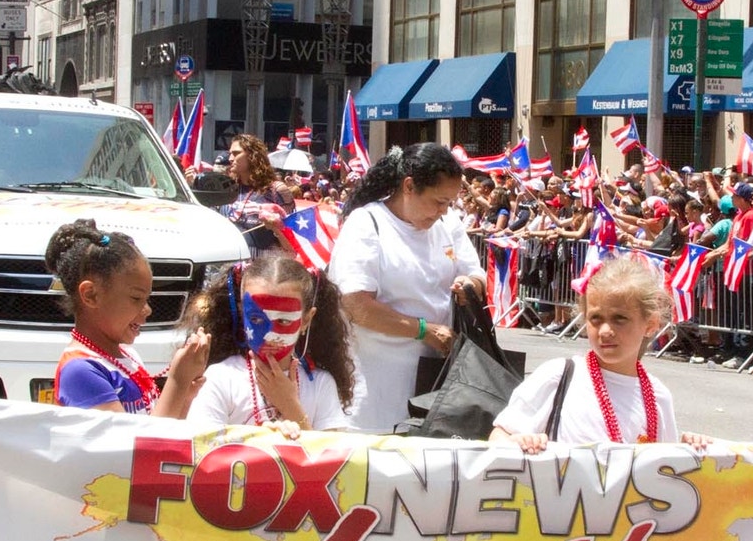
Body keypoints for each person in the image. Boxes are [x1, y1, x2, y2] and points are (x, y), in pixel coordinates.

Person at [329, 143, 485, 433]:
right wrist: (424, 330)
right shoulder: (367, 223)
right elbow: (356, 305)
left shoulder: (447, 224)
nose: (443, 211)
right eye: (438, 201)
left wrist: (470, 285)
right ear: (409, 186)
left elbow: (476, 272)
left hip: (437, 388)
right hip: (376, 391)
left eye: (449, 203)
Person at [491, 255, 708, 451]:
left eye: (619, 319)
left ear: (650, 324)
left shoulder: (658, 396)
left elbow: (666, 471)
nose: (605, 331)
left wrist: (694, 450)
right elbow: (498, 437)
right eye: (596, 319)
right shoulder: (559, 377)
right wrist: (517, 443)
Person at [44, 219, 209, 416]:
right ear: (91, 295)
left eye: (147, 299)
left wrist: (184, 396)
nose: (147, 309)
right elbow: (138, 445)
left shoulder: (127, 356)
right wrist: (177, 382)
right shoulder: (79, 371)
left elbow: (164, 430)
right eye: (136, 298)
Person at [184, 252, 356, 432]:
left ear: (306, 320)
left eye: (283, 321)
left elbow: (330, 457)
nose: (269, 335)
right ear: (243, 314)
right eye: (257, 320)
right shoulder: (221, 378)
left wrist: (291, 408)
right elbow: (202, 450)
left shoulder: (320, 385)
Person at [219, 133, 294, 255]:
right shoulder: (227, 189)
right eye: (230, 153)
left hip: (264, 266)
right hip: (229, 263)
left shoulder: (277, 190)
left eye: (236, 153)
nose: (230, 159)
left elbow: (293, 242)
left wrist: (276, 228)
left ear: (252, 156)